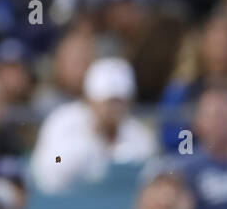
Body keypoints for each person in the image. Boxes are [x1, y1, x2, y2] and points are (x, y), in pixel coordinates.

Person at [30, 56, 157, 193]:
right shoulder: (62, 121)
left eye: (118, 102)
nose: (112, 109)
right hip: (68, 206)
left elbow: (146, 177)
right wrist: (90, 138)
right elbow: (50, 168)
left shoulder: (139, 135)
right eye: (106, 102)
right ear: (89, 98)